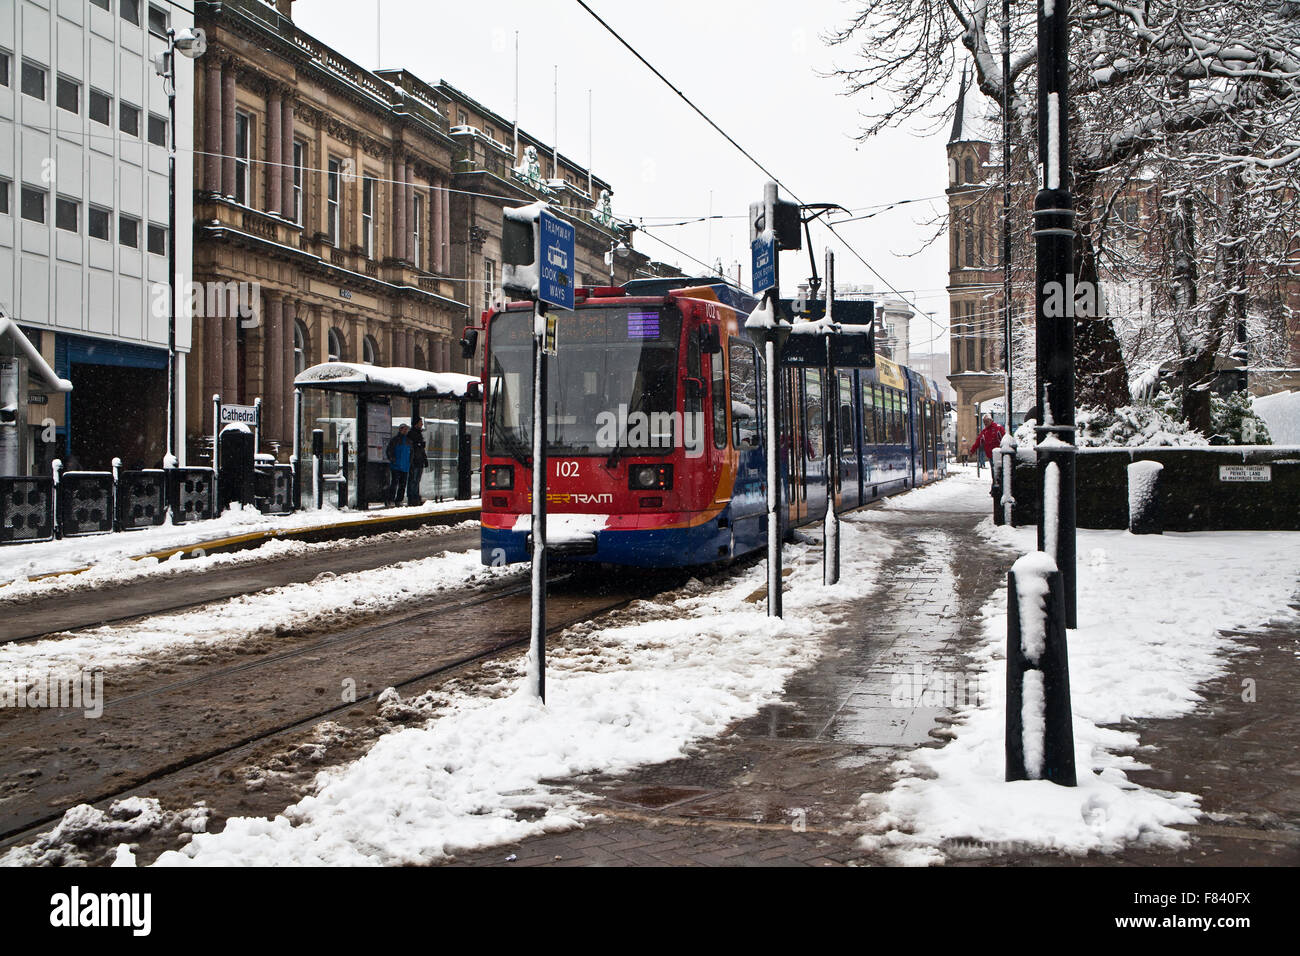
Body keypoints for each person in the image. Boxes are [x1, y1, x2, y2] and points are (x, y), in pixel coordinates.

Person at [970, 414, 1006, 479]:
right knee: (993, 471)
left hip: (999, 455)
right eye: (984, 421)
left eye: (987, 421)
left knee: (999, 472)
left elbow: (1004, 439)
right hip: (990, 455)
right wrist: (972, 450)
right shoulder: (984, 432)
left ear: (991, 420)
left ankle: (998, 486)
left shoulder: (998, 428)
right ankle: (995, 485)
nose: (985, 423)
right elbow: (978, 441)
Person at [385, 423, 412, 507]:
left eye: (406, 429)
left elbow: (411, 453)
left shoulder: (408, 441)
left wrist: (409, 462)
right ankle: (391, 499)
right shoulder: (395, 440)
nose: (405, 431)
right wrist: (393, 459)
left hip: (404, 466)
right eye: (404, 429)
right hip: (396, 466)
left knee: (402, 485)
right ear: (400, 429)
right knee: (395, 484)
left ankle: (399, 500)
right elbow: (389, 451)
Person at [406, 417, 427, 506]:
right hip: (415, 460)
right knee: (413, 480)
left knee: (416, 480)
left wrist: (424, 459)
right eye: (420, 422)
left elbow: (421, 449)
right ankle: (412, 498)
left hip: (418, 460)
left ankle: (415, 497)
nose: (422, 424)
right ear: (416, 424)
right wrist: (419, 445)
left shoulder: (418, 434)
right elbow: (414, 448)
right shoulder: (412, 434)